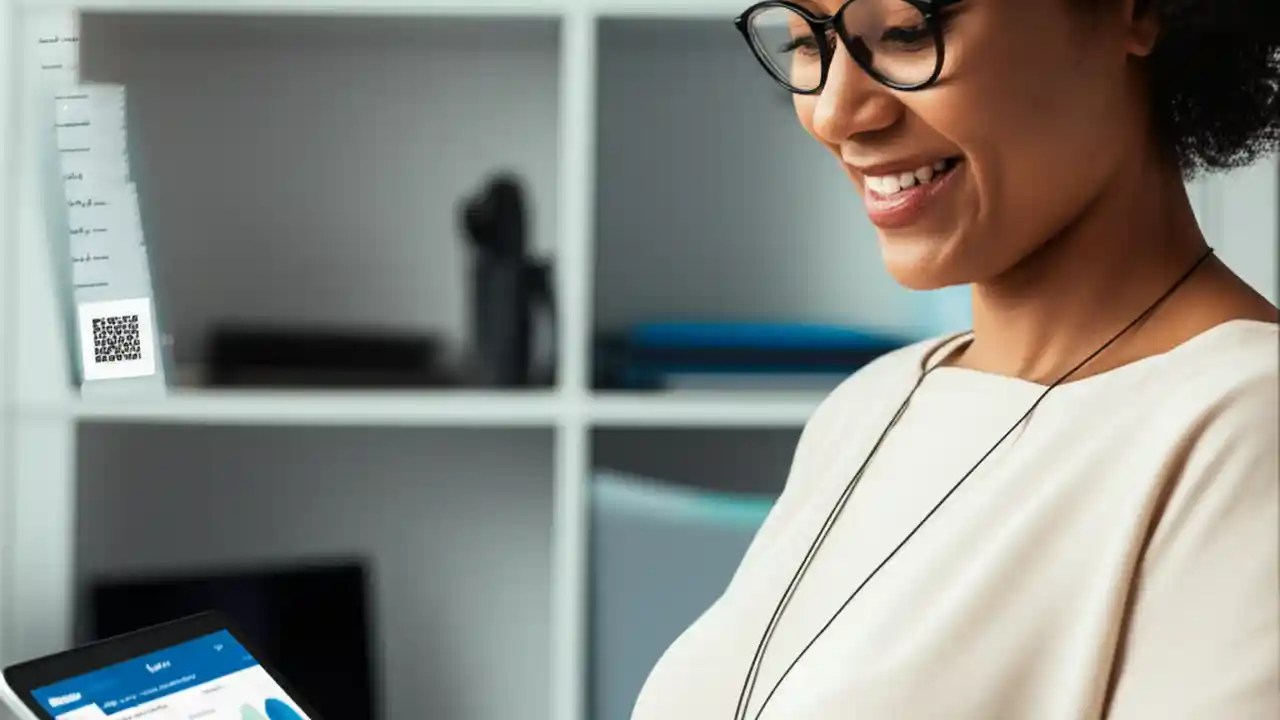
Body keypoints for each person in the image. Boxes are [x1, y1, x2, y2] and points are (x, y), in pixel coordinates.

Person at [630, 0, 1279, 718]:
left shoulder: (1246, 423)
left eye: (911, 31)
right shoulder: (870, 406)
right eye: (806, 46)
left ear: (1136, 11)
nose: (836, 114)